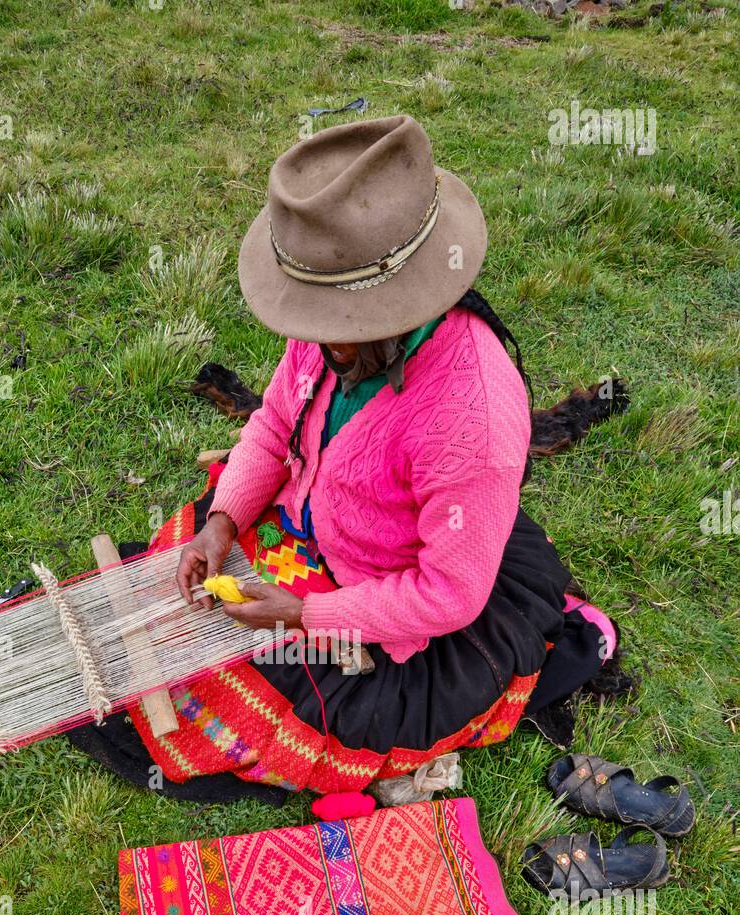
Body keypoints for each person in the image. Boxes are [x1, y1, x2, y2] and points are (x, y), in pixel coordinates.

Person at [70, 114, 617, 805]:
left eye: (340, 326)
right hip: (314, 537)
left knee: (286, 708)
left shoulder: (468, 413)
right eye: (316, 320)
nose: (322, 344)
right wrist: (224, 522)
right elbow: (273, 426)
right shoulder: (334, 330)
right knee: (177, 579)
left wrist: (302, 616)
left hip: (404, 591)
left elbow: (448, 595)